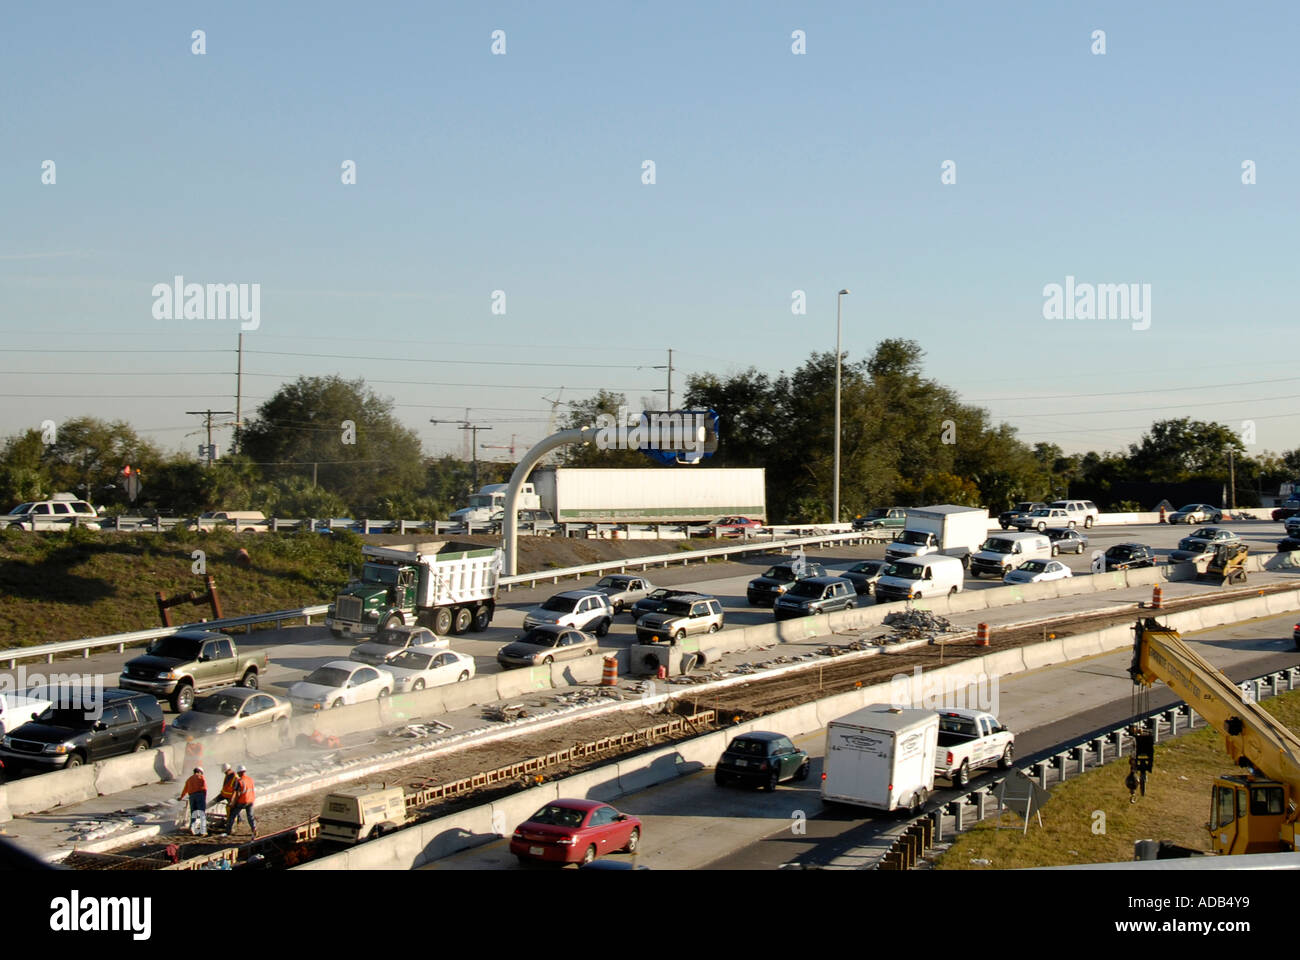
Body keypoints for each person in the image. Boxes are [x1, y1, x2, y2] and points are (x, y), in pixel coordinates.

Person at [226, 764, 257, 838]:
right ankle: (254, 829)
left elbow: (236, 793)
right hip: (251, 800)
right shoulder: (250, 779)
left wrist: (232, 803)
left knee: (232, 814)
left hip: (243, 801)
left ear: (239, 772)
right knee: (250, 816)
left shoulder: (239, 781)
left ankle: (229, 830)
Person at [178, 766, 208, 836]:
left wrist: (181, 797)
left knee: (193, 813)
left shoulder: (189, 779)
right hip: (200, 795)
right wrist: (204, 798)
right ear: (200, 772)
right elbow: (204, 788)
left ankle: (191, 828)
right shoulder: (201, 777)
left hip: (191, 797)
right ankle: (203, 831)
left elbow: (185, 789)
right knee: (201, 813)